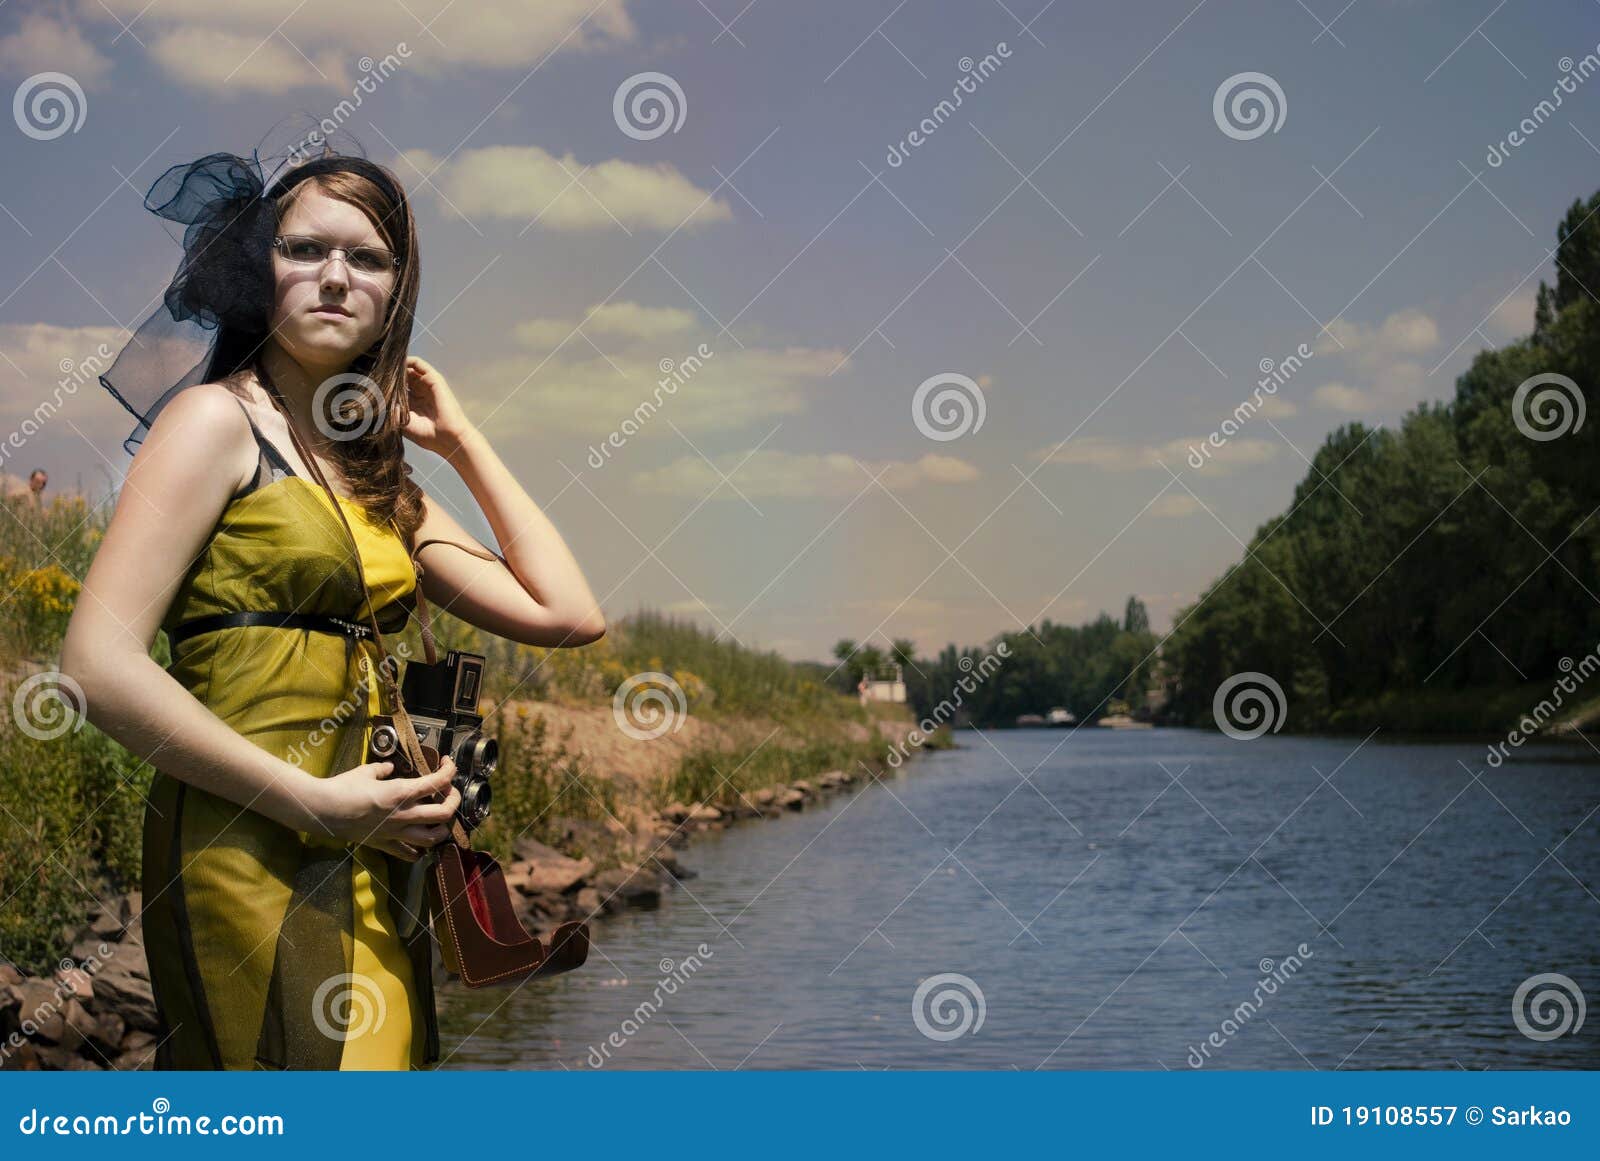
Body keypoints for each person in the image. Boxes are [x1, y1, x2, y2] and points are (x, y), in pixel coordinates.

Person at [60, 135, 605, 1070]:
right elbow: (95, 667)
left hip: (379, 843)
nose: (335, 276)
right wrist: (315, 802)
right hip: (251, 836)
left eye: (368, 257)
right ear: (253, 268)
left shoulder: (380, 481)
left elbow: (567, 612)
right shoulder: (213, 424)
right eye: (304, 248)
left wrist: (463, 441)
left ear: (397, 292)